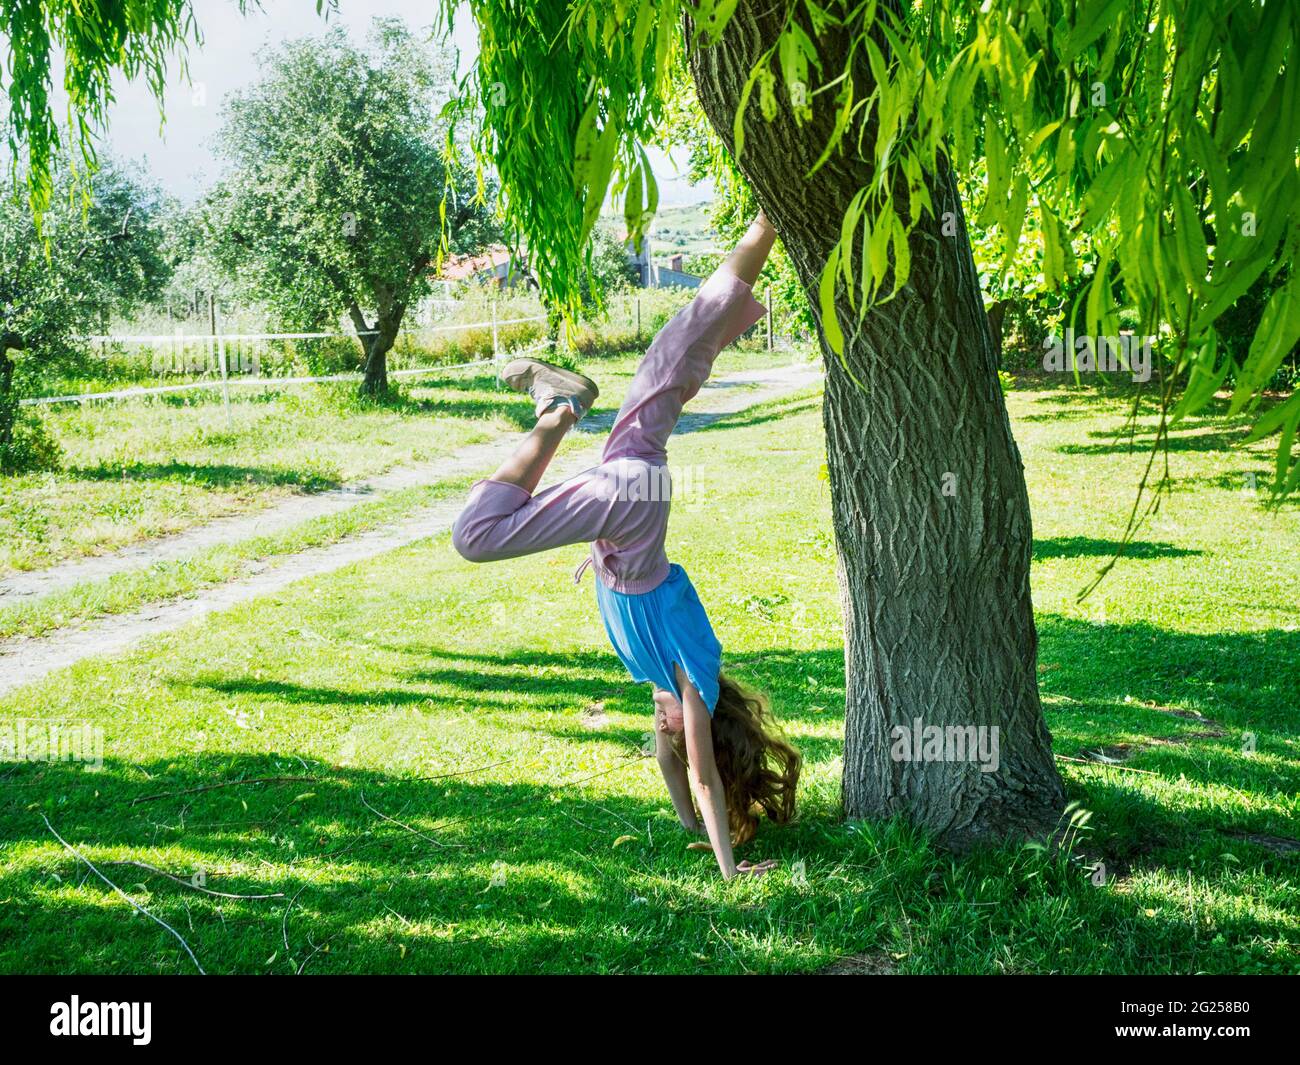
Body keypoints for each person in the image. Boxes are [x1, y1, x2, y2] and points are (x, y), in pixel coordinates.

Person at [451, 211, 800, 879]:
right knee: (476, 536)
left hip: (629, 494)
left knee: (680, 352)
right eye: (675, 733)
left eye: (663, 733)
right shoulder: (691, 685)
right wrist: (731, 870)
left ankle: (767, 222)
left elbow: (681, 782)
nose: (663, 732)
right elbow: (699, 772)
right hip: (630, 502)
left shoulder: (661, 685)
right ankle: (560, 408)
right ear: (705, 730)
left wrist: (693, 830)